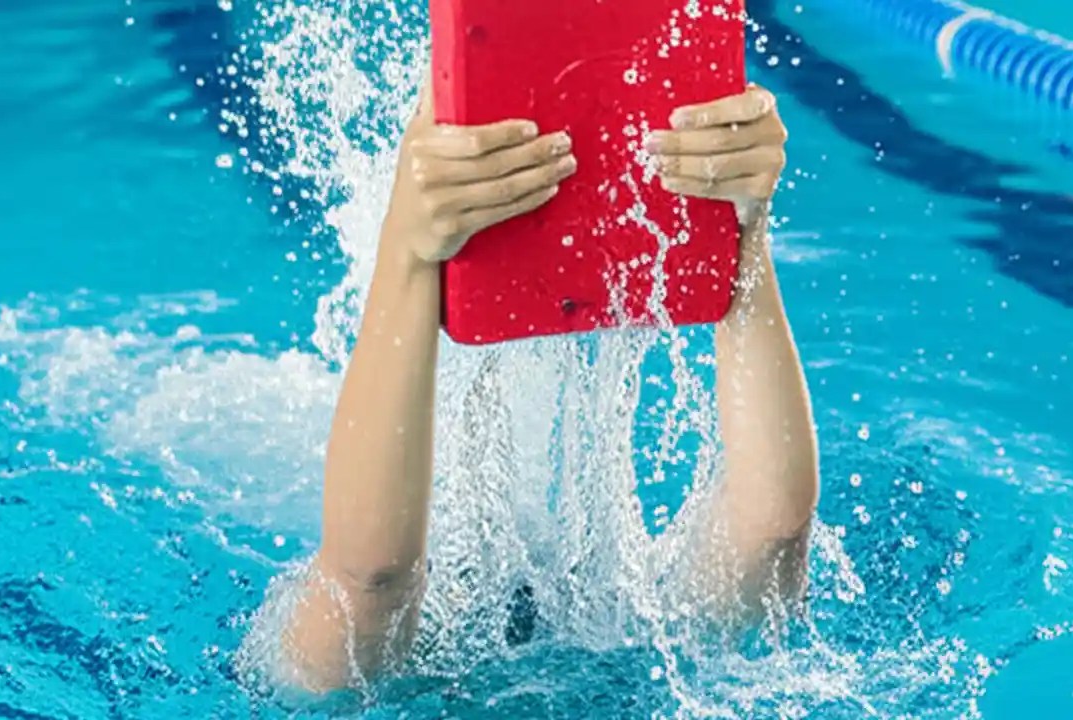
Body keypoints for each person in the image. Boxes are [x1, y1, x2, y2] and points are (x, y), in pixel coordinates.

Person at [272, 77, 818, 692]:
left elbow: (773, 531)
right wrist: (408, 249)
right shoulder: (347, 662)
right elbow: (368, 581)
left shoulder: (620, 625)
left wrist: (741, 225)